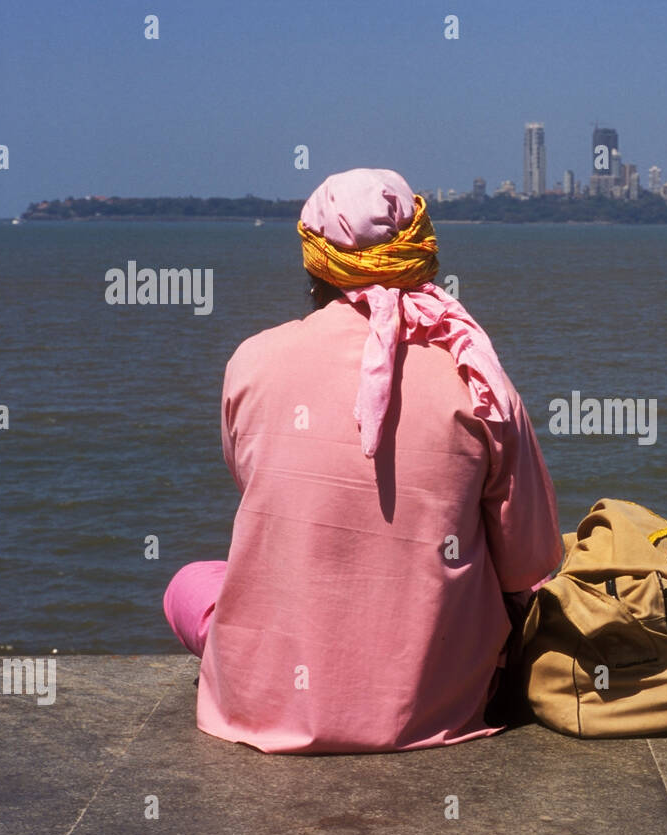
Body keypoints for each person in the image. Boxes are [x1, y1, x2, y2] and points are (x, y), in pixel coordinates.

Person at [162, 168, 562, 753]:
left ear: (313, 263)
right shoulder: (475, 375)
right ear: (423, 254)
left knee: (191, 582)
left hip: (270, 700)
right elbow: (529, 561)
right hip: (435, 701)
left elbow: (256, 483)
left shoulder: (251, 361)